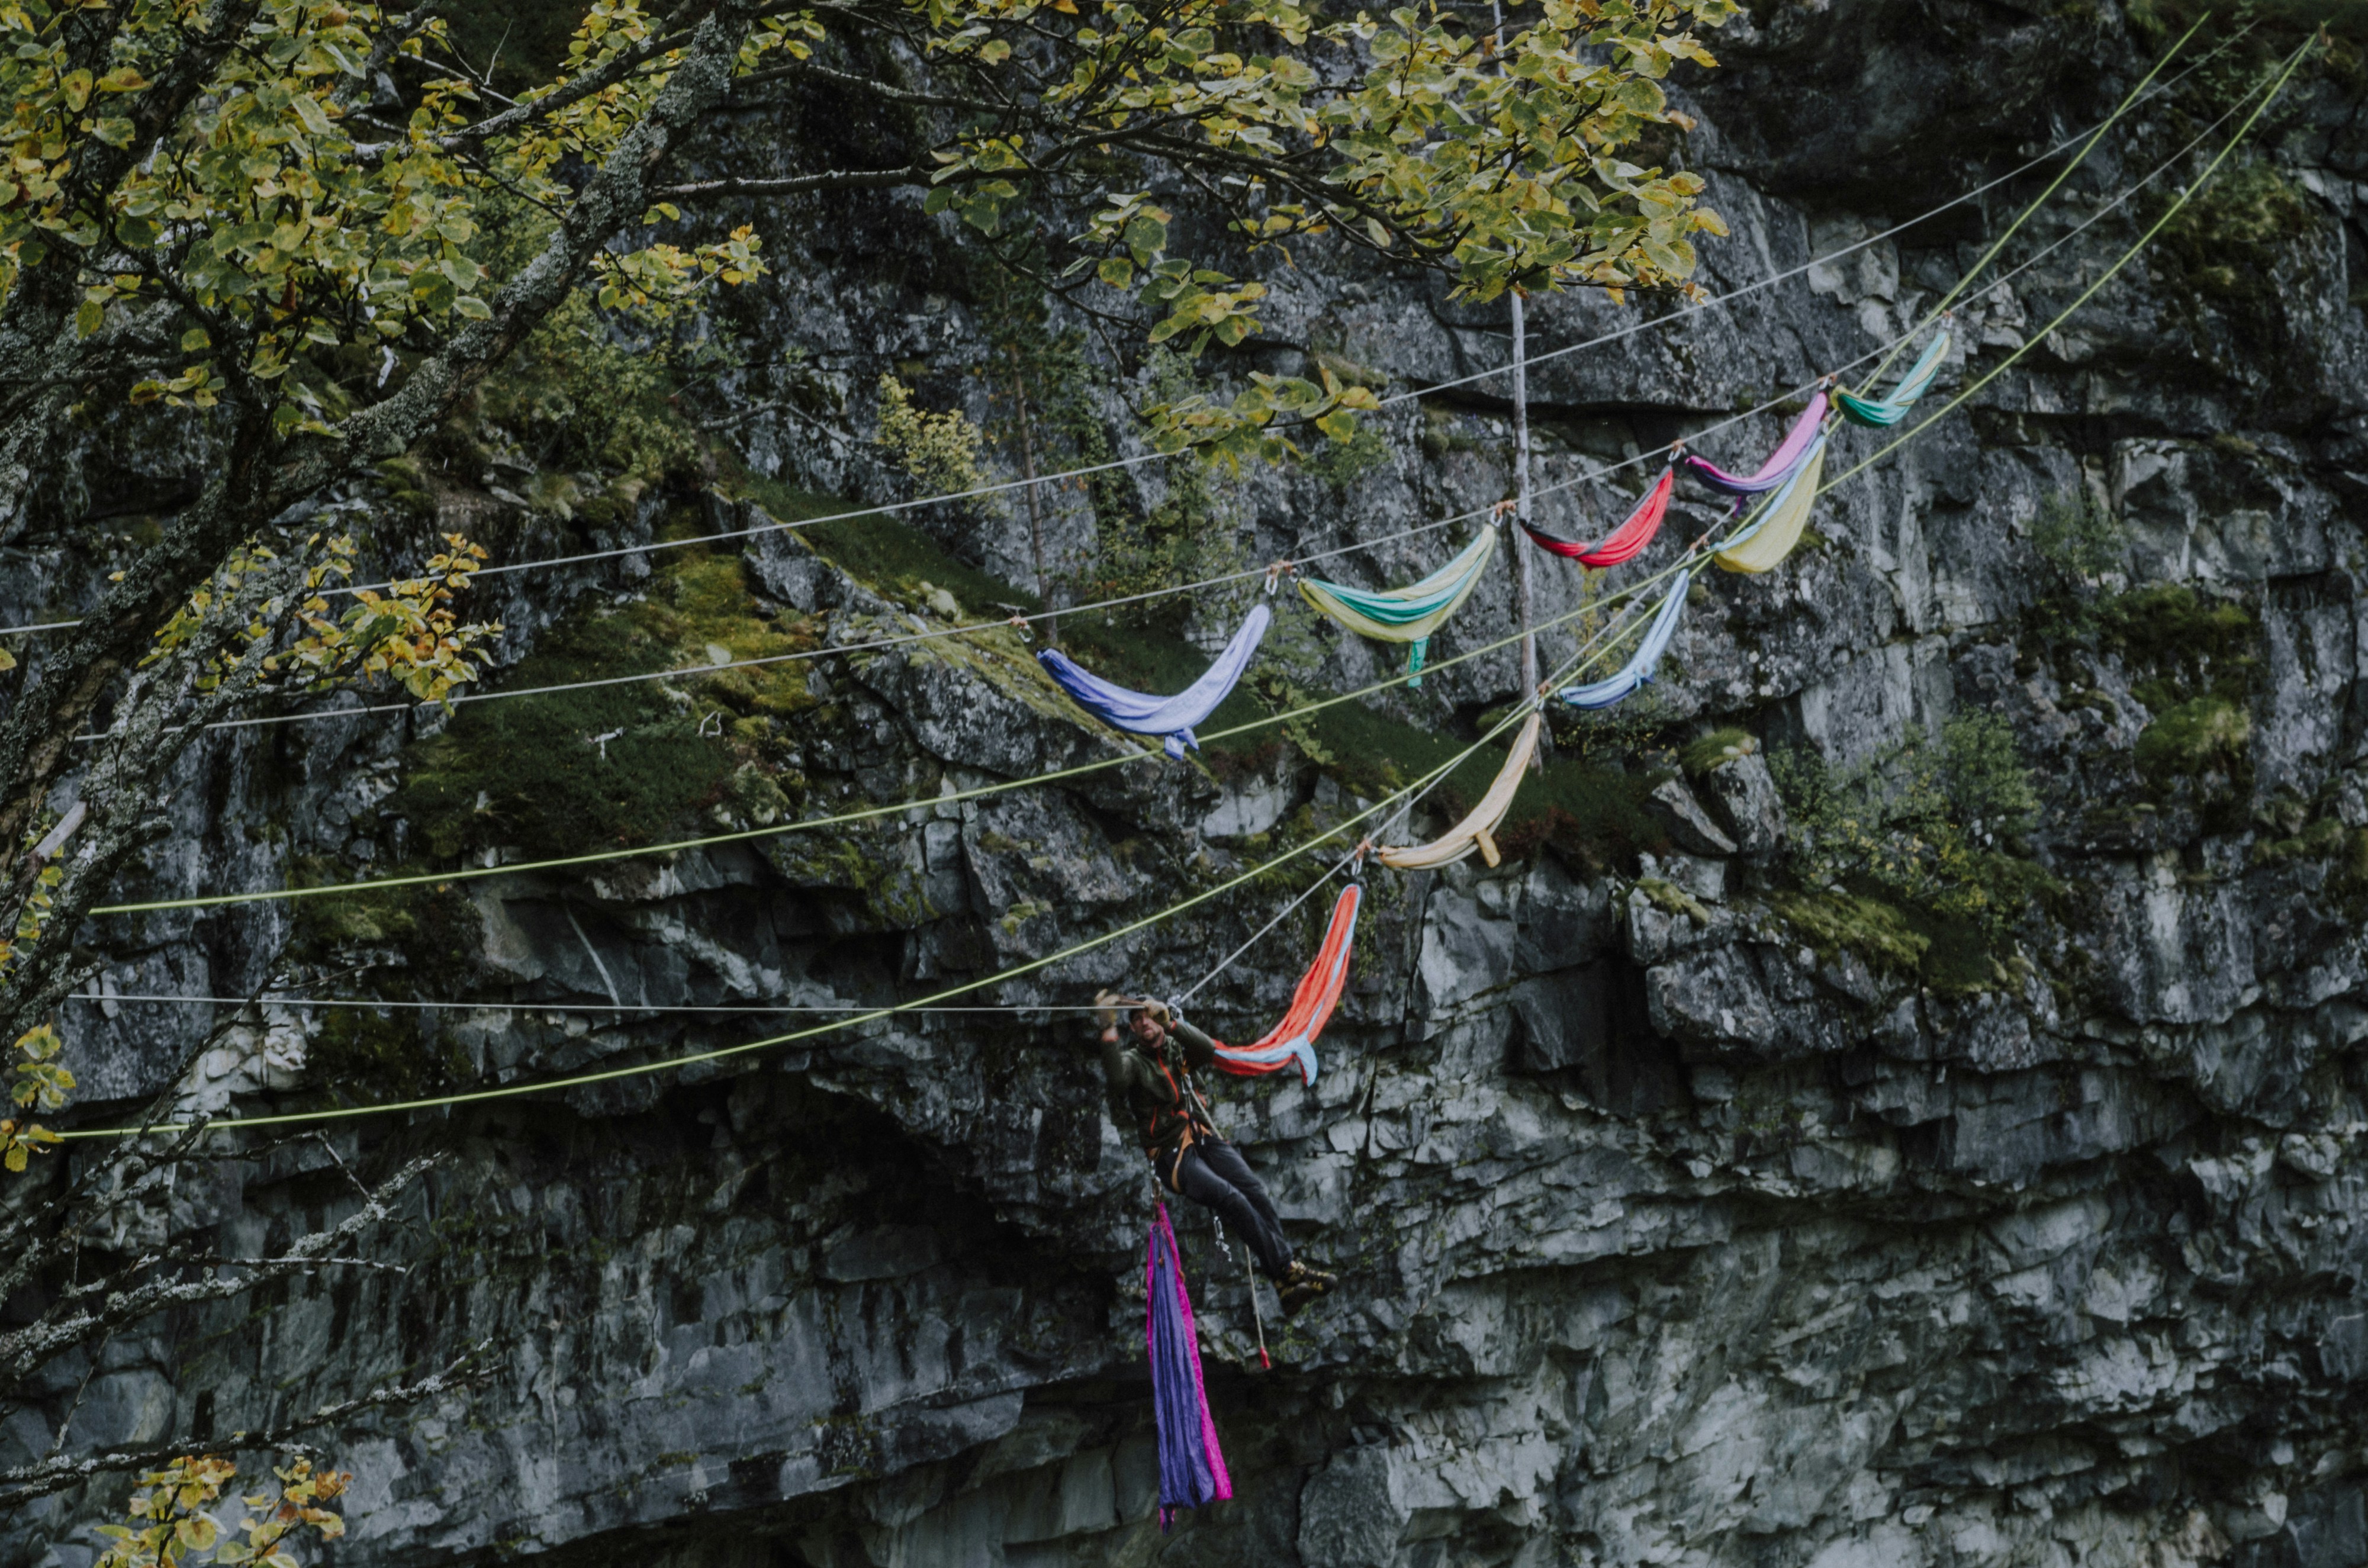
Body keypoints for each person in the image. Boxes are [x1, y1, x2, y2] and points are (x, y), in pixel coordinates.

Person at [1093, 991, 1338, 1313]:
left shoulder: (1177, 1046)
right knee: (1230, 1197)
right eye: (1137, 1020)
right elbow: (1117, 1077)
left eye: (1148, 1015)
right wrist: (1107, 1028)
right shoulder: (1135, 1063)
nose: (1144, 1022)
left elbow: (1206, 1050)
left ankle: (1283, 1285)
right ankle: (1288, 1268)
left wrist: (1172, 1022)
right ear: (1134, 1030)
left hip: (1201, 1137)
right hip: (1172, 1156)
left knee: (1254, 1191)